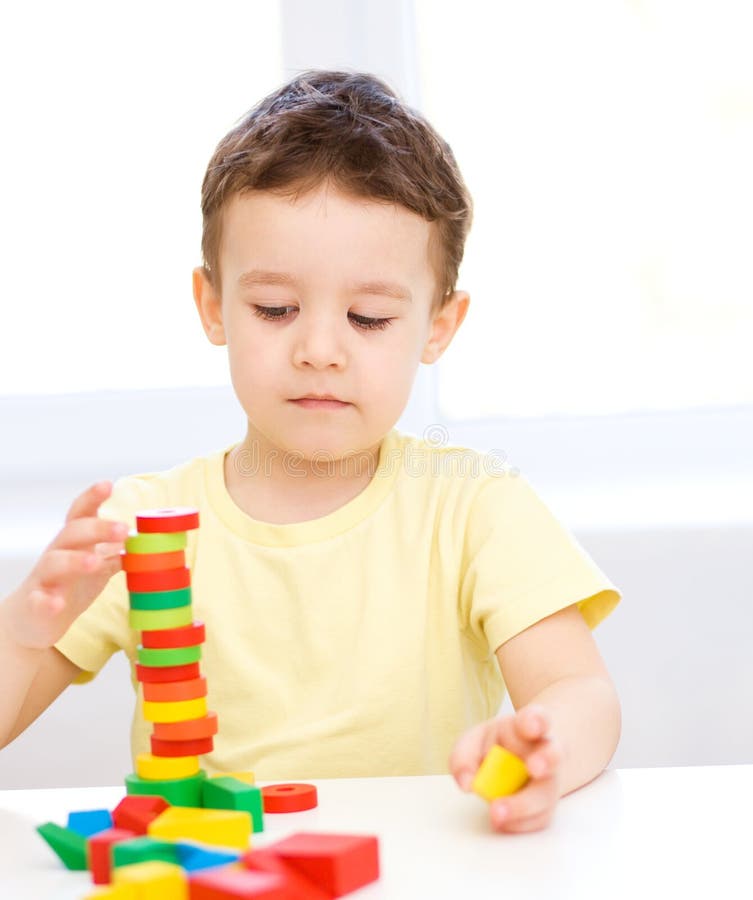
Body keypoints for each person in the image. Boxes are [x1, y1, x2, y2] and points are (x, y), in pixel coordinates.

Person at [0, 70, 621, 834]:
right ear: (212, 304)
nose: (319, 350)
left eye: (367, 318)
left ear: (437, 327)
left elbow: (580, 692)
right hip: (214, 874)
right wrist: (19, 637)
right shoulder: (146, 524)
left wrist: (540, 744)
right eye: (275, 309)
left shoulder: (473, 508)